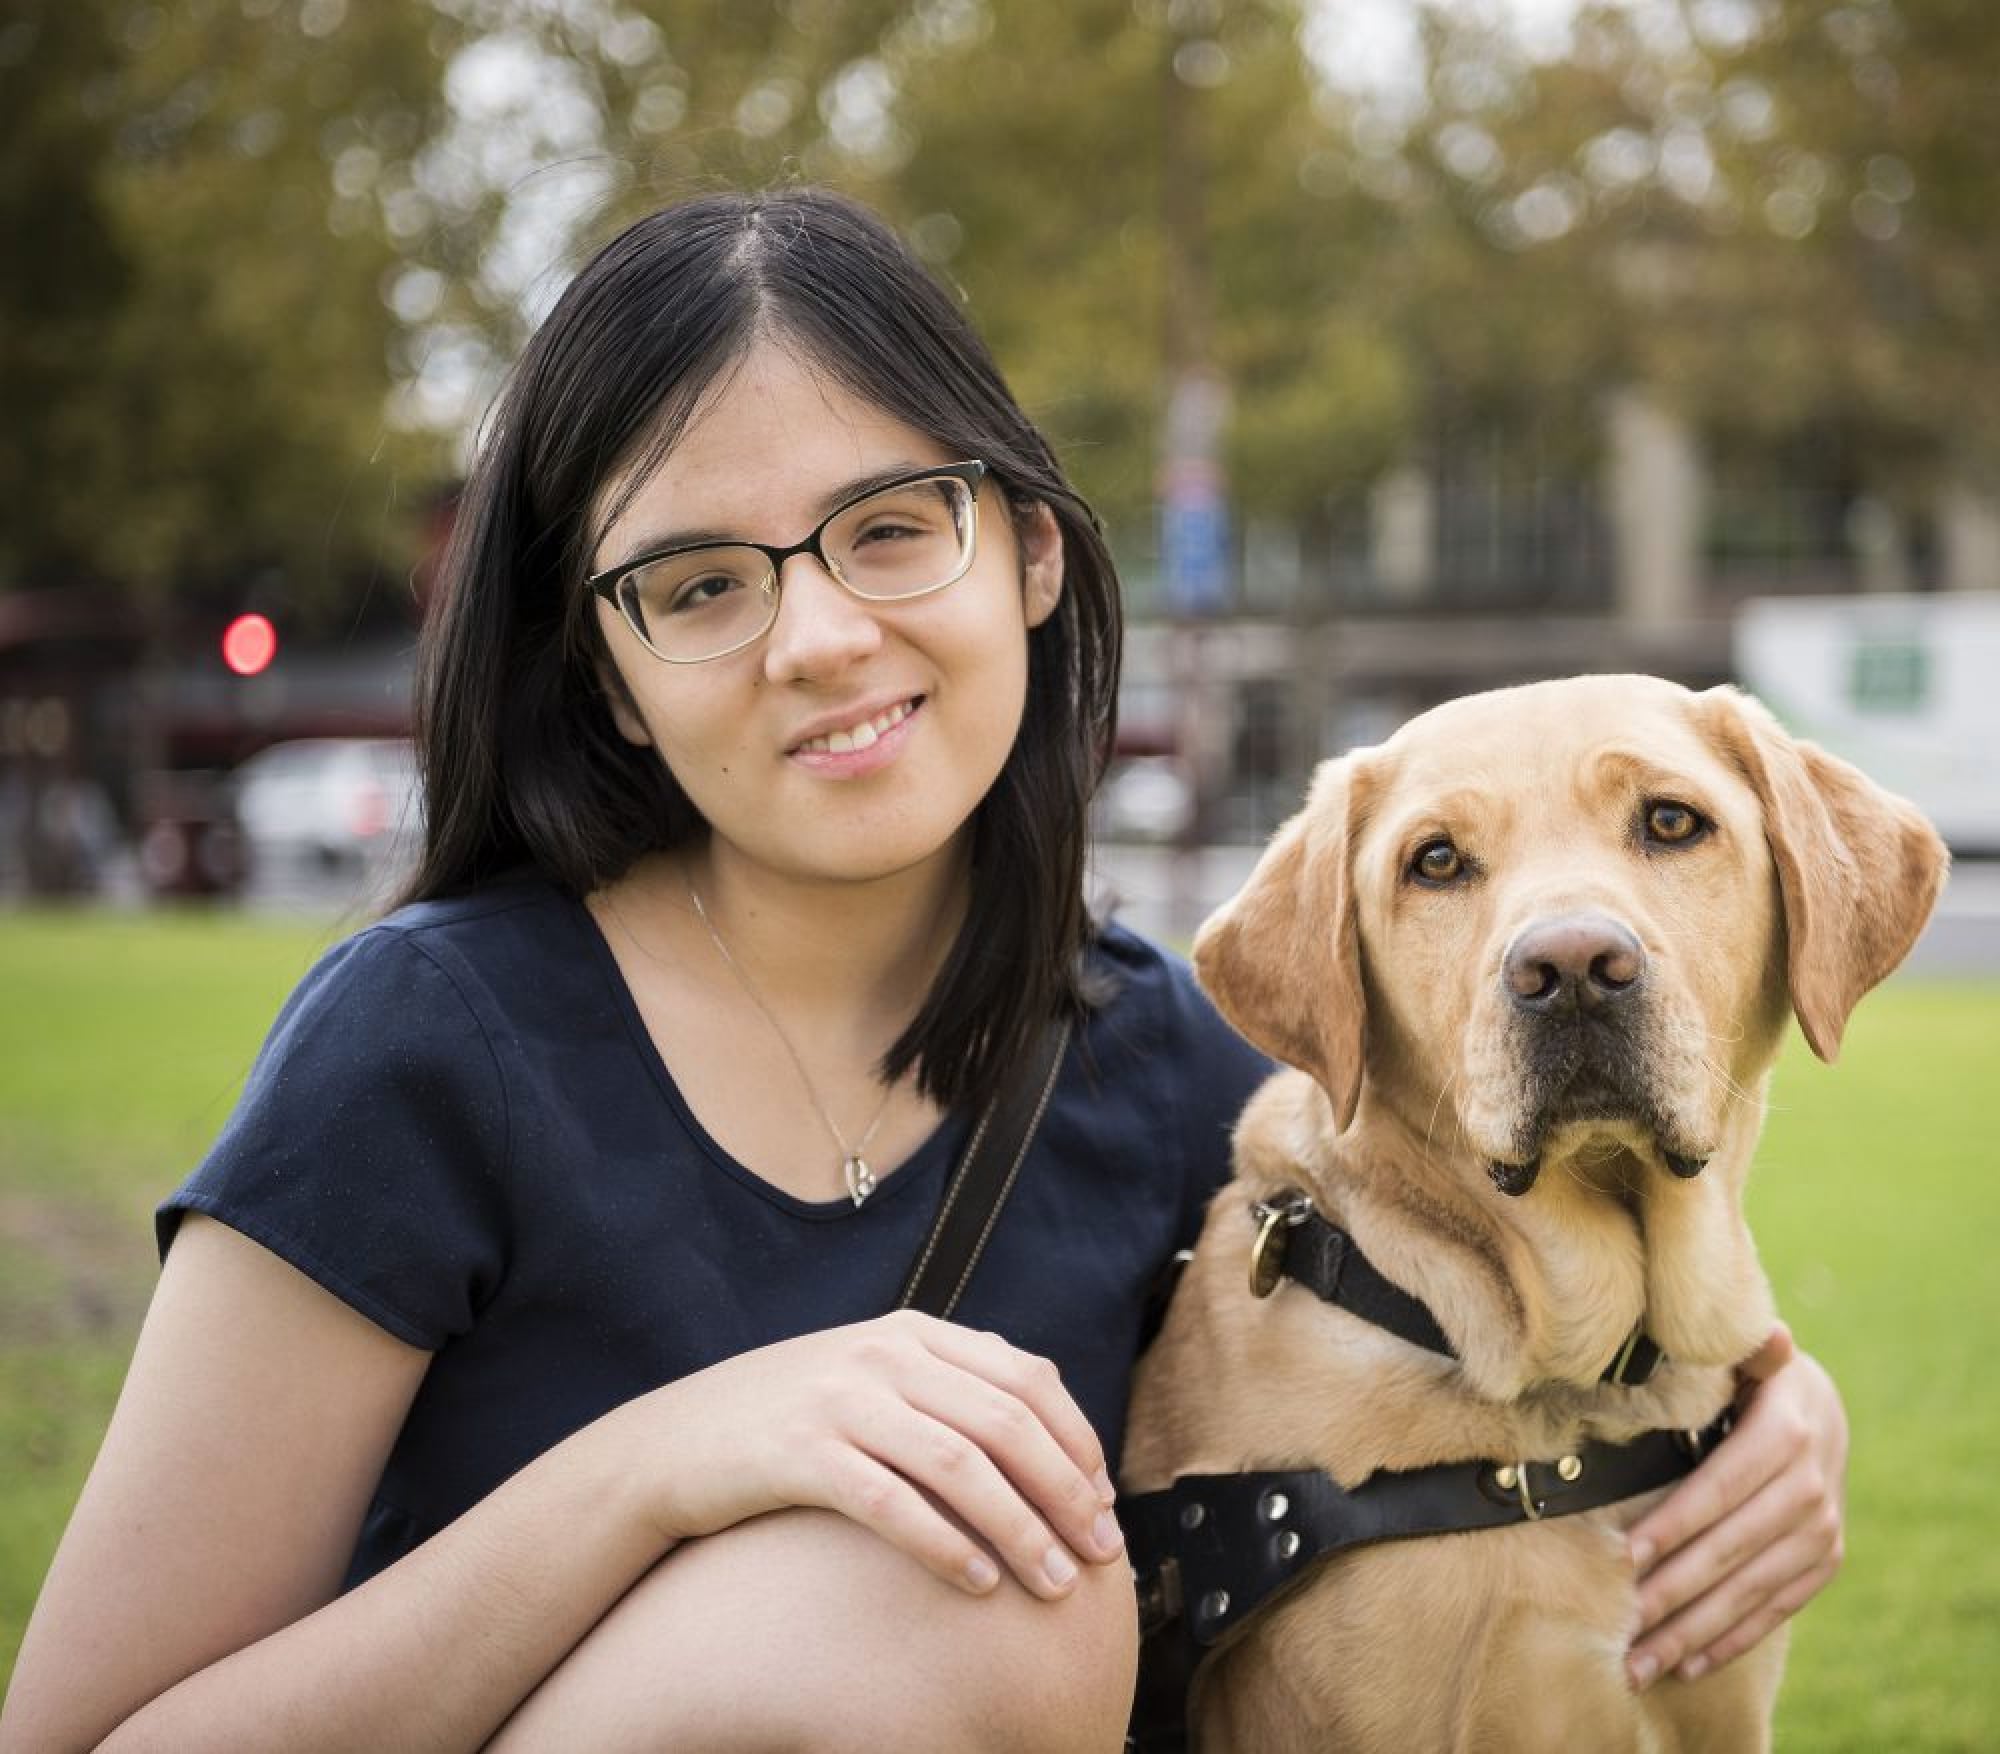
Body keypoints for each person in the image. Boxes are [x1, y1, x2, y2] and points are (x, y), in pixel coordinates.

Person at [1, 189, 1846, 1753]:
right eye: (702, 583)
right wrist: (667, 1462)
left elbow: (1489, 1252)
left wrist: (1778, 1405)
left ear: (1031, 554)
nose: (820, 635)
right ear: (602, 670)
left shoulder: (1173, 1077)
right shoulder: (421, 1050)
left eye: (893, 528)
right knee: (962, 1592)